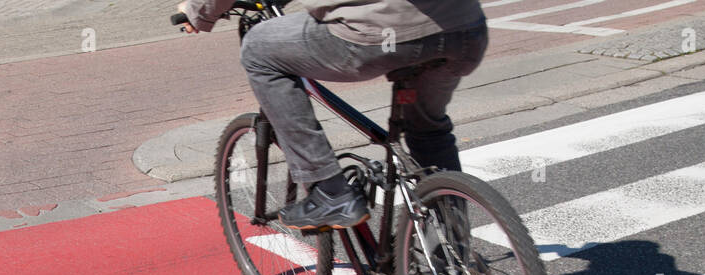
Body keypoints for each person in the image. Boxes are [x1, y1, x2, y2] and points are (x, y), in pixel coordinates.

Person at [177, 0, 488, 231]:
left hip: (377, 34)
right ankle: (456, 260)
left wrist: (199, 12)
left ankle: (330, 189)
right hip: (464, 30)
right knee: (427, 130)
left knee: (258, 49)